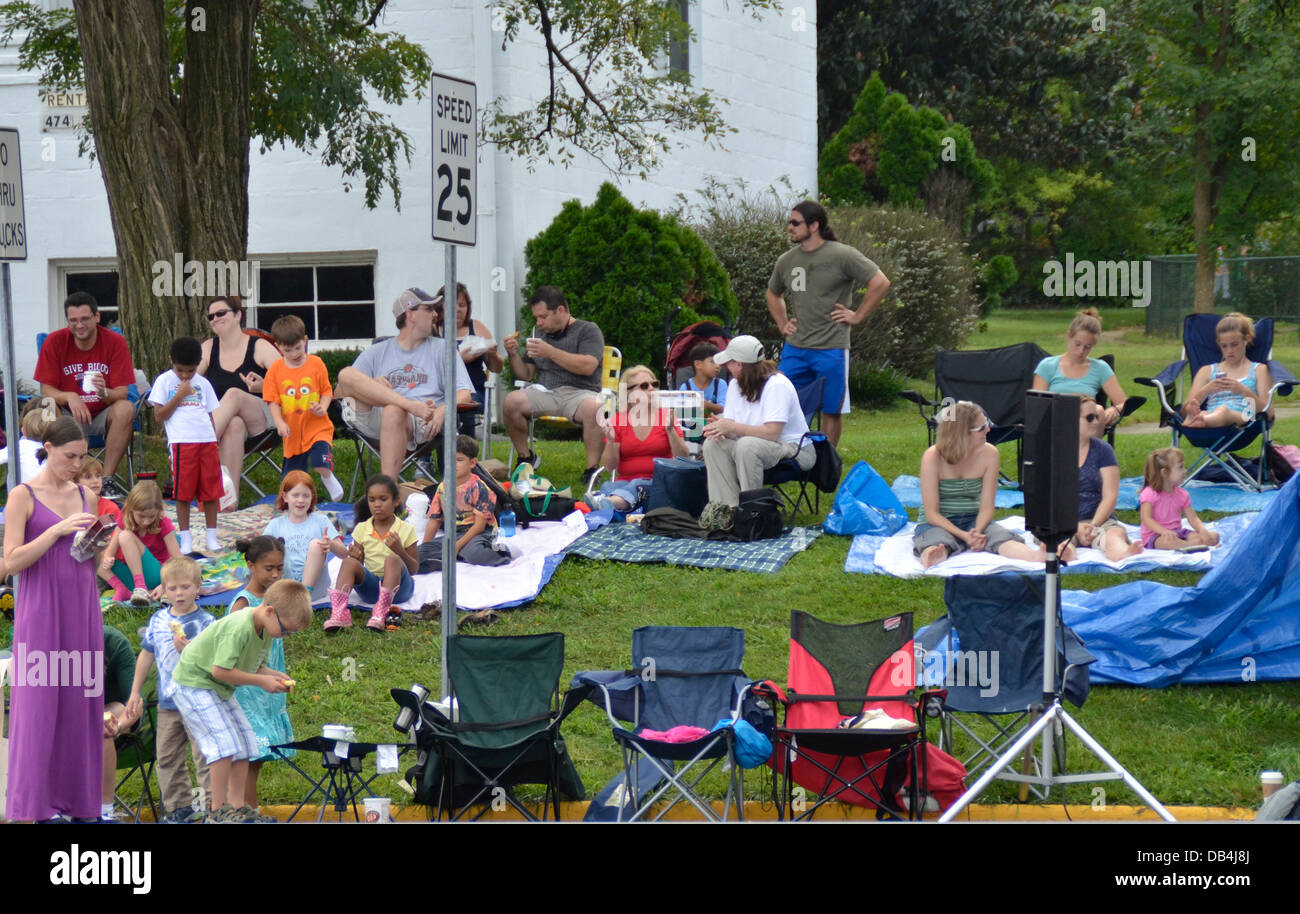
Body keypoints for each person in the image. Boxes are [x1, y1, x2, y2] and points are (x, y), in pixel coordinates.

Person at [2, 416, 103, 822]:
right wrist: (56, 530)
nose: (76, 464)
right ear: (47, 447)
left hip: (82, 608)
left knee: (81, 706)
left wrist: (99, 544)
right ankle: (32, 807)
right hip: (41, 611)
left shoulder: (85, 495)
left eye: (81, 456)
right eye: (68, 456)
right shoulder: (22, 495)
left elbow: (90, 565)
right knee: (39, 708)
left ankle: (79, 804)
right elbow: (10, 563)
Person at [169, 578, 311, 824]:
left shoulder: (266, 630)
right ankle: (217, 809)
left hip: (218, 686)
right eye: (286, 629)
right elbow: (220, 670)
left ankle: (237, 806)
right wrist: (261, 682)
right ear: (270, 611)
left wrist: (274, 676)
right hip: (194, 683)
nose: (286, 635)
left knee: (246, 742)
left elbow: (256, 666)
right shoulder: (240, 626)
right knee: (223, 744)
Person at [766, 201, 890, 449]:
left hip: (831, 347)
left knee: (832, 409)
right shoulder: (787, 260)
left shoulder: (842, 254)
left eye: (795, 223)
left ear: (814, 226)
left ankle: (826, 462)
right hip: (795, 348)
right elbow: (773, 293)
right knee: (780, 400)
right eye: (789, 222)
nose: (789, 227)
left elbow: (880, 282)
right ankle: (788, 453)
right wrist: (782, 323)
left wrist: (857, 316)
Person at [336, 287, 475, 480]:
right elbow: (339, 391)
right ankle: (408, 405)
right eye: (429, 309)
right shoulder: (378, 352)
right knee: (346, 373)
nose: (435, 314)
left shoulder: (443, 348)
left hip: (421, 420)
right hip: (374, 416)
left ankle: (388, 491)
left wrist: (443, 410)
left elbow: (464, 394)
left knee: (394, 410)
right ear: (410, 314)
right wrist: (372, 385)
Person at [126, 556, 215, 824]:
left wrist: (189, 653)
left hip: (198, 701)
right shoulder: (157, 620)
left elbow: (214, 662)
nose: (179, 593)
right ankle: (179, 808)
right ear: (163, 589)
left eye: (185, 587)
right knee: (167, 756)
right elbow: (146, 655)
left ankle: (213, 807)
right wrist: (135, 692)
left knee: (205, 757)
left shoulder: (207, 623)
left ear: (198, 587)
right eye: (173, 588)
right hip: (168, 703)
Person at [913, 400, 1048, 569]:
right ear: (962, 433)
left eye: (987, 424)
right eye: (982, 427)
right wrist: (964, 535)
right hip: (938, 522)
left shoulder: (990, 453)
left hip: (974, 519)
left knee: (1001, 537)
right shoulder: (933, 457)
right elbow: (932, 514)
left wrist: (976, 531)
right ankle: (933, 553)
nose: (989, 429)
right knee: (937, 540)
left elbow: (987, 507)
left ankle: (1036, 557)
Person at [700, 335, 815, 521]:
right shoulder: (735, 386)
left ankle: (753, 513)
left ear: (739, 365)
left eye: (728, 363)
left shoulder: (777, 385)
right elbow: (734, 429)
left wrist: (732, 427)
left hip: (794, 448)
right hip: (753, 445)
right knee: (713, 444)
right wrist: (720, 427)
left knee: (747, 446)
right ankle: (728, 511)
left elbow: (772, 433)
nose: (725, 368)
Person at [33, 292, 137, 494]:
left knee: (126, 408)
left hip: (101, 415)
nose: (79, 325)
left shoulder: (115, 342)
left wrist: (104, 392)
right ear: (67, 321)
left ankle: (105, 481)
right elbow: (46, 390)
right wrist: (70, 397)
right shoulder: (54, 342)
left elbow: (122, 393)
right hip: (67, 418)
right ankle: (57, 480)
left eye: (84, 319)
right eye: (73, 320)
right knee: (46, 406)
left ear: (97, 317)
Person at [503, 285, 607, 486]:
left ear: (560, 310)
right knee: (511, 401)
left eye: (543, 317)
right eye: (536, 318)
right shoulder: (539, 334)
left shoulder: (588, 330)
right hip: (545, 392)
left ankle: (592, 470)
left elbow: (588, 366)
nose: (538, 322)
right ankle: (526, 458)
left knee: (595, 408)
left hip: (579, 393)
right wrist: (513, 354)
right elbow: (526, 374)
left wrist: (550, 351)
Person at [225, 536, 294, 821]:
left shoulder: (272, 601)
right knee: (248, 756)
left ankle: (248, 809)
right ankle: (247, 812)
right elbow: (233, 653)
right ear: (251, 566)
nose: (276, 574)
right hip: (246, 689)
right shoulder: (243, 603)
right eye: (269, 569)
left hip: (266, 687)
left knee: (259, 755)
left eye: (280, 568)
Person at [198, 295, 281, 504]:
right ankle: (228, 504)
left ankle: (195, 450)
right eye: (211, 316)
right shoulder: (209, 348)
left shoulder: (258, 345)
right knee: (234, 424)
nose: (215, 318)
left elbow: (289, 380)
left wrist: (263, 385)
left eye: (221, 313)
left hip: (264, 419)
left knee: (234, 394)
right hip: (229, 425)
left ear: (238, 315)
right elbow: (188, 381)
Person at [150, 336, 222, 554]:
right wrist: (179, 396)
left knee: (211, 491)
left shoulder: (204, 383)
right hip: (182, 443)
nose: (185, 375)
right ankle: (186, 537)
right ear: (171, 360)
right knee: (183, 492)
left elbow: (209, 414)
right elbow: (159, 415)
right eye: (180, 370)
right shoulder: (164, 381)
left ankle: (211, 536)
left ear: (198, 365)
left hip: (206, 442)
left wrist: (214, 439)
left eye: (190, 371)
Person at [263, 314, 345, 501]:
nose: (294, 354)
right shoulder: (275, 371)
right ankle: (292, 505)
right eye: (288, 350)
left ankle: (327, 476)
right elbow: (272, 401)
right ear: (278, 347)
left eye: (298, 348)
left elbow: (326, 391)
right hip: (292, 433)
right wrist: (279, 423)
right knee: (292, 479)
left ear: (305, 340)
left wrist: (323, 408)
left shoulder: (316, 364)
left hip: (317, 427)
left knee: (320, 462)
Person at [324, 474, 418, 633]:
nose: (377, 505)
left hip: (399, 590)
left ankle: (381, 612)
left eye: (383, 499)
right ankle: (339, 614)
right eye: (372, 500)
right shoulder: (362, 528)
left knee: (392, 559)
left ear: (396, 501)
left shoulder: (406, 529)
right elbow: (358, 566)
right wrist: (357, 558)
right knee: (348, 562)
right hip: (371, 589)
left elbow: (414, 569)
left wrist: (400, 551)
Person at [589, 365, 689, 513]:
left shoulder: (666, 416)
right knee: (609, 487)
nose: (651, 389)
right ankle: (615, 504)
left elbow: (683, 457)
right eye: (644, 386)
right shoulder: (619, 420)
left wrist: (670, 431)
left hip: (658, 484)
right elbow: (610, 467)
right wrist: (610, 442)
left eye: (654, 384)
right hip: (624, 484)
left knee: (637, 484)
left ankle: (609, 503)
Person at [419, 434, 510, 572]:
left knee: (475, 554)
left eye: (459, 460)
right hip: (455, 534)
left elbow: (479, 526)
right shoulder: (443, 488)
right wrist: (425, 547)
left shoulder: (480, 488)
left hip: (480, 533)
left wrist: (457, 546)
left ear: (472, 463)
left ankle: (502, 552)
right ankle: (453, 555)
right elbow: (434, 521)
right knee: (418, 553)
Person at [1032, 308, 1130, 428]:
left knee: (1098, 410)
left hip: (1086, 429)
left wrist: (1114, 410)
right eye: (1077, 344)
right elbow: (1037, 407)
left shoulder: (1100, 368)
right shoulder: (1048, 366)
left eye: (1087, 347)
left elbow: (1124, 403)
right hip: (1053, 426)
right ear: (1069, 336)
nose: (1081, 351)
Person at [1073, 395, 1143, 562]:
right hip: (1063, 522)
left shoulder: (1103, 450)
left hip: (1099, 519)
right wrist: (1074, 527)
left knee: (1114, 535)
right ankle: (1064, 553)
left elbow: (1110, 496)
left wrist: (1093, 526)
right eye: (1089, 418)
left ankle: (1123, 553)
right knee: (1057, 542)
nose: (1096, 422)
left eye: (1097, 417)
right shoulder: (1055, 451)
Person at [1182, 312, 1275, 429]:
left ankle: (1201, 420)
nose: (1229, 351)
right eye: (1224, 346)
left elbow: (1268, 412)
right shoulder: (1207, 370)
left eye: (1234, 344)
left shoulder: (1259, 370)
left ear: (1246, 339)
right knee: (1206, 412)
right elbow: (1185, 411)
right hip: (1211, 414)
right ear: (1218, 344)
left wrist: (1242, 390)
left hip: (1245, 417)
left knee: (1223, 411)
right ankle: (1200, 418)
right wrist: (1206, 390)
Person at [434, 282, 504, 437]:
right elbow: (428, 367)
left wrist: (492, 355)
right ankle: (429, 456)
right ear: (440, 307)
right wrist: (460, 359)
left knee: (464, 402)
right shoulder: (434, 330)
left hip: (474, 391)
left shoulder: (476, 327)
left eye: (462, 305)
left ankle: (466, 452)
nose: (458, 309)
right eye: (452, 304)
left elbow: (497, 368)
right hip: (440, 391)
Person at [266, 470, 349, 599]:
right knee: (272, 549)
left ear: (312, 497)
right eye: (295, 495)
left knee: (316, 544)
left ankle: (303, 596)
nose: (301, 500)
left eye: (306, 496)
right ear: (285, 497)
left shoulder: (321, 520)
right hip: (285, 587)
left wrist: (330, 544)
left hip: (315, 590)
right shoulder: (275, 525)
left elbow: (344, 554)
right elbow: (261, 553)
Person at [103, 480, 183, 606]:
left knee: (125, 536)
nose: (146, 522)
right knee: (94, 549)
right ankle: (122, 589)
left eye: (151, 517)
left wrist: (165, 584)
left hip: (157, 575)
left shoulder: (163, 522)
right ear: (131, 509)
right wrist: (107, 559)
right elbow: (110, 551)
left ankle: (141, 588)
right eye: (141, 516)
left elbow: (179, 560)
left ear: (158, 511)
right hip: (132, 577)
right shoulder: (125, 518)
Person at [100, 624, 143, 822]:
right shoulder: (58, 641)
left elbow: (134, 704)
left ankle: (104, 810)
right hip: (74, 715)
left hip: (118, 711)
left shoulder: (113, 642)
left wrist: (116, 725)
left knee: (102, 726)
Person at [1139, 447, 1220, 550]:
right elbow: (1146, 518)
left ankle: (1194, 546)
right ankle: (1195, 546)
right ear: (1165, 473)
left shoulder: (1182, 494)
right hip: (1156, 536)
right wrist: (1164, 531)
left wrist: (1202, 530)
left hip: (1178, 532)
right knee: (1168, 542)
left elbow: (1193, 518)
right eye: (1180, 467)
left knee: (1214, 535)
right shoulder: (1149, 493)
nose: (1185, 471)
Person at [680, 342, 727, 415]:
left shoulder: (720, 384)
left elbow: (724, 408)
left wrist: (706, 404)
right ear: (698, 364)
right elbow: (681, 411)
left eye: (718, 363)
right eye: (713, 362)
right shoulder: (686, 387)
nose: (718, 366)